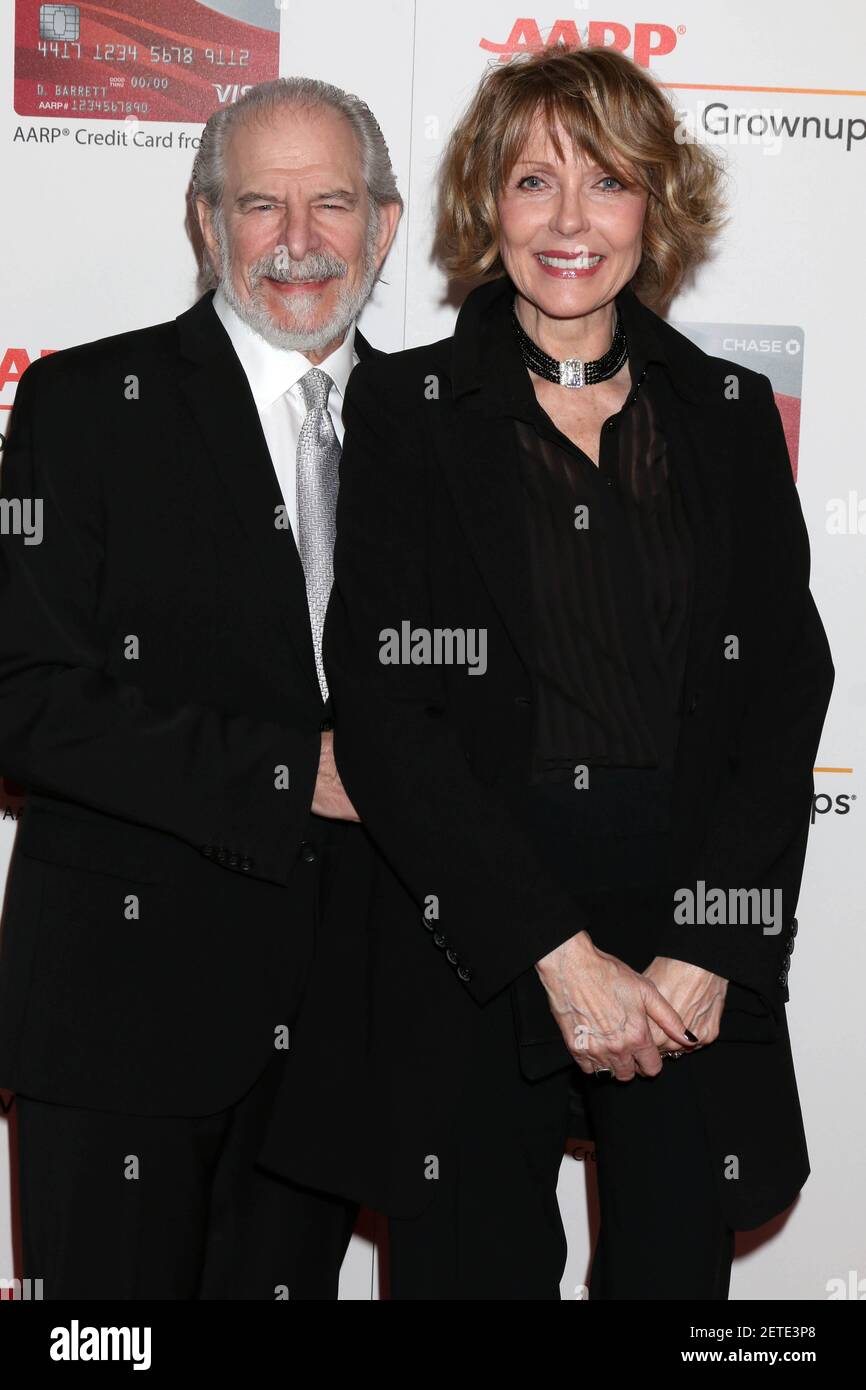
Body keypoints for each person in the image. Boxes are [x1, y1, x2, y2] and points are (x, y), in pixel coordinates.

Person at [260, 46, 834, 1299]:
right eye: (532, 182)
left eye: (607, 181)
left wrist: (709, 945)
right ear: (487, 206)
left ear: (654, 206)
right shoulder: (406, 409)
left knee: (673, 1284)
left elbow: (783, 692)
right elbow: (387, 705)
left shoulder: (728, 412)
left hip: (686, 922)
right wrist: (554, 953)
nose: (570, 221)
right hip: (471, 922)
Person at [0, 76, 400, 1299]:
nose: (296, 240)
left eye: (330, 203)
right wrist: (294, 778)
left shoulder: (438, 435)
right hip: (119, 1019)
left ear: (383, 226)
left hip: (338, 1020)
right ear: (204, 222)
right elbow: (24, 691)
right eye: (258, 203)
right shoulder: (80, 407)